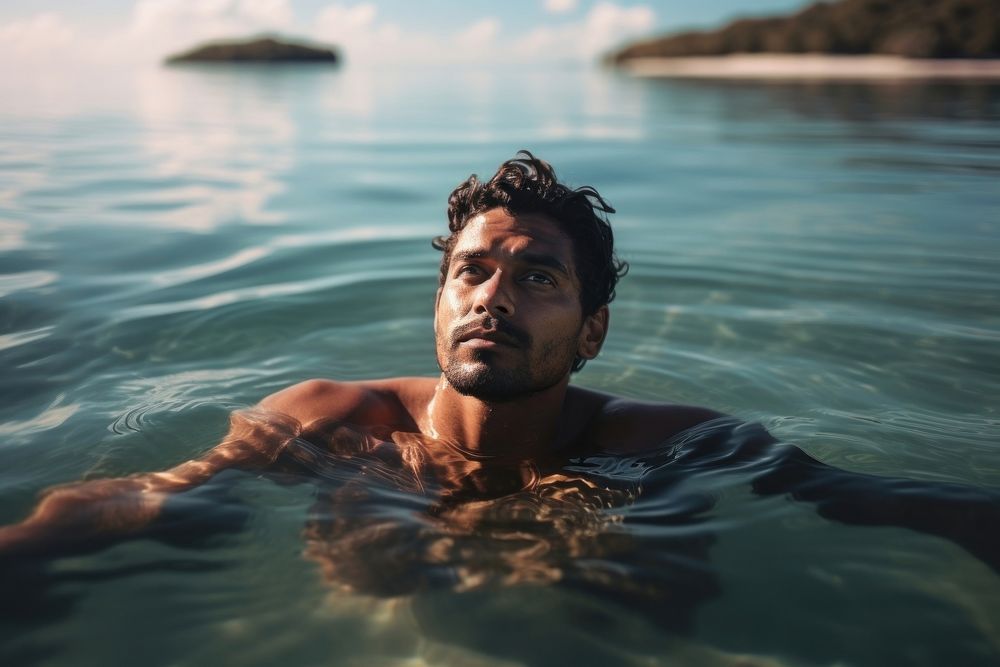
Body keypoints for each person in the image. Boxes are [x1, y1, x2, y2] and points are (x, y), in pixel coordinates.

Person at [1, 151, 997, 585]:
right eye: (471, 273)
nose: (492, 296)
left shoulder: (676, 443)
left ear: (592, 331)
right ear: (439, 305)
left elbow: (890, 503)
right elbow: (135, 498)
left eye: (537, 278)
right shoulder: (330, 417)